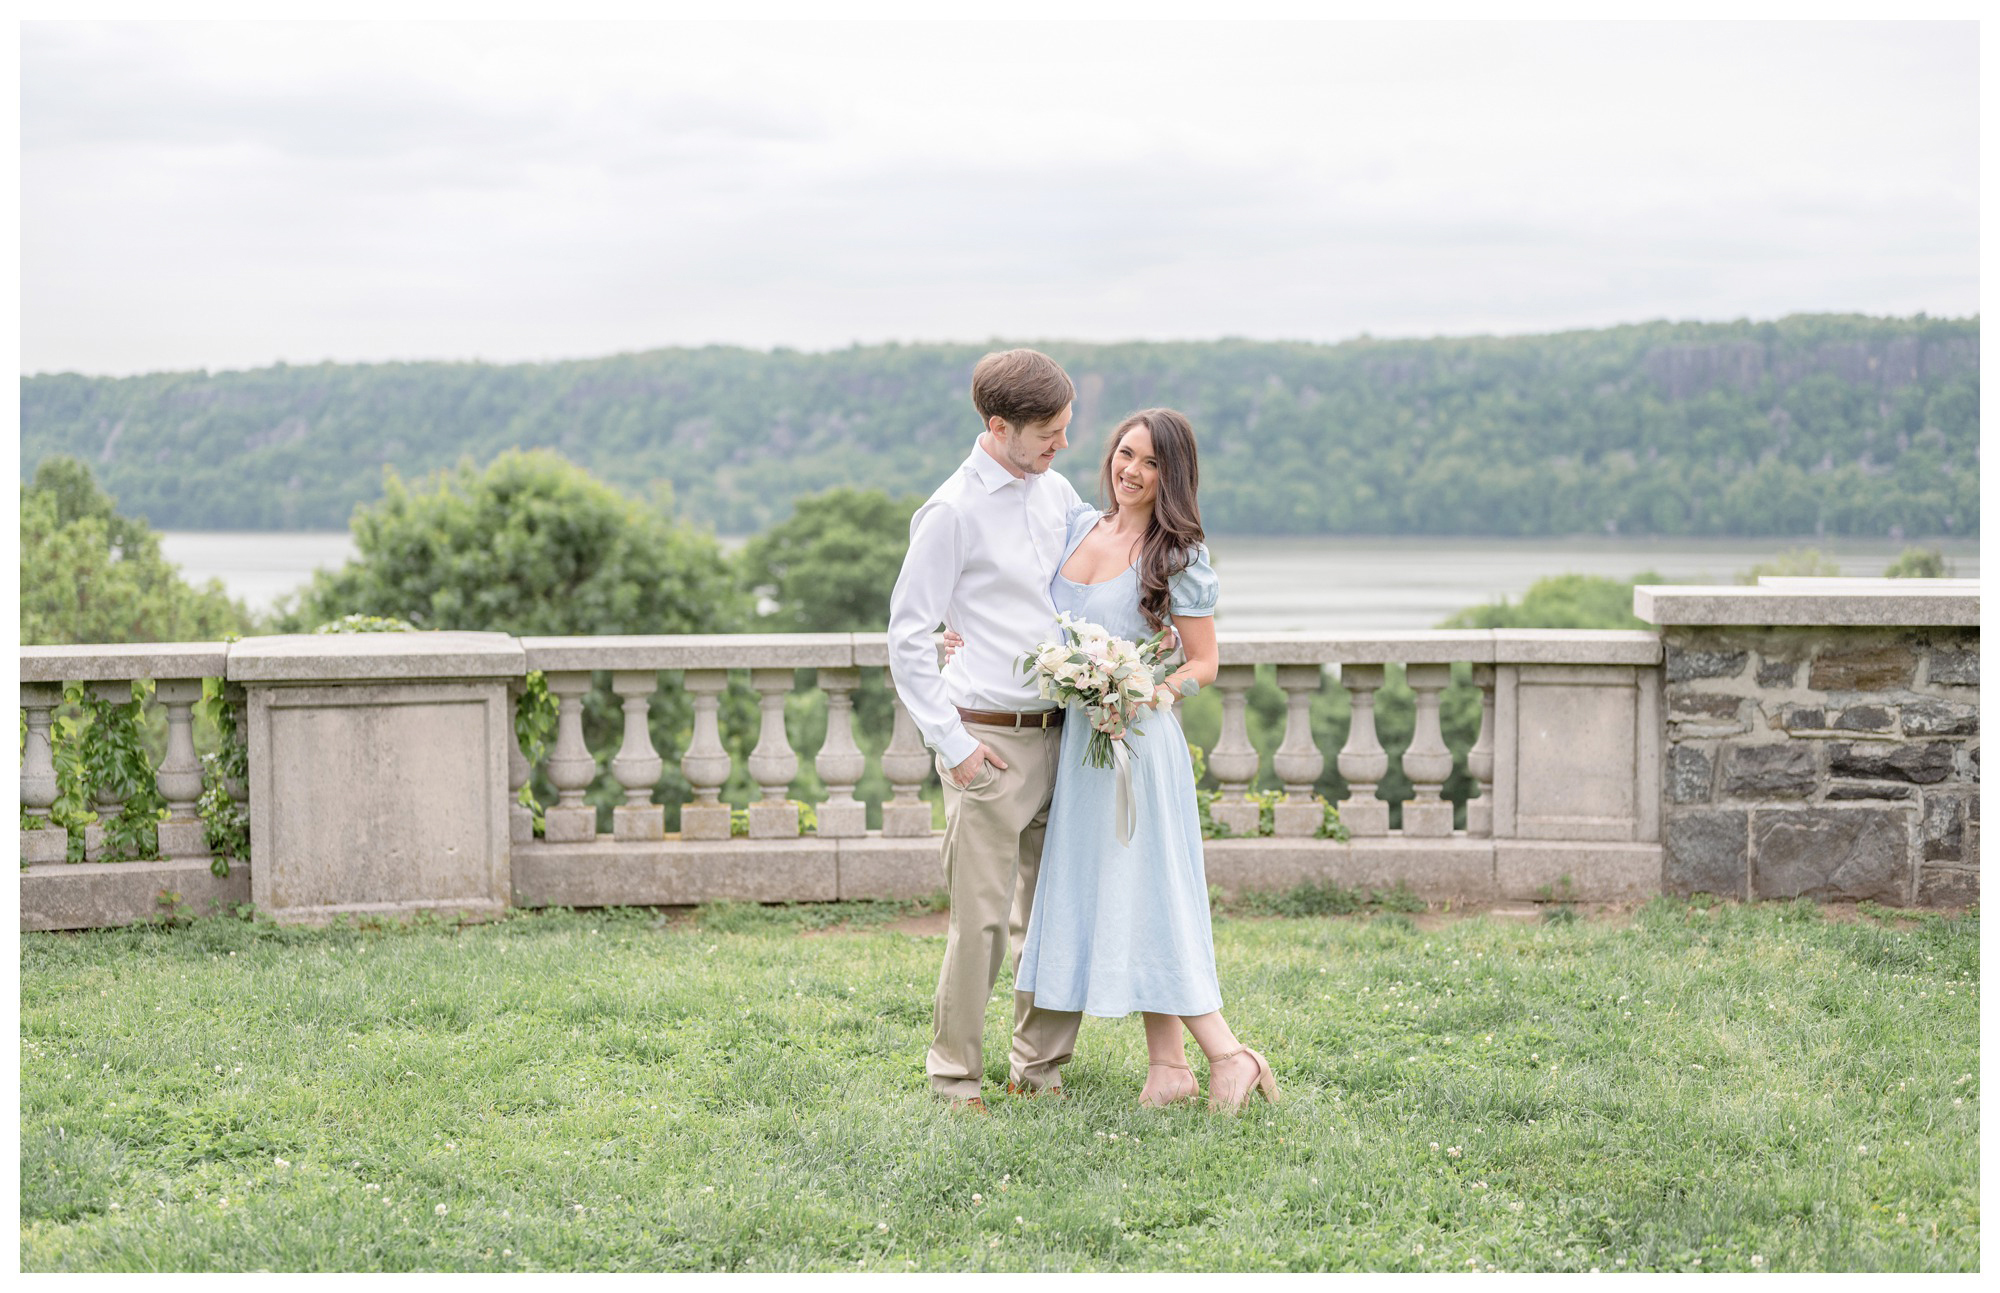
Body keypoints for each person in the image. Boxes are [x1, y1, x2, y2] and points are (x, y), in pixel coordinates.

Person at [965, 408, 1279, 1111]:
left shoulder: (1180, 556)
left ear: (1174, 476)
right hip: (1081, 744)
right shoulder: (1080, 526)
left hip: (1137, 743)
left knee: (1149, 895)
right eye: (1126, 454)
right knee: (1126, 897)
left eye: (1152, 463)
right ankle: (1169, 1067)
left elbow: (1204, 661)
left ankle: (1229, 1055)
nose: (1132, 471)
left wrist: (1147, 690)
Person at [886, 348, 1099, 1112]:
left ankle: (1039, 1067)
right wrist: (955, 747)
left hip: (1066, 733)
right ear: (998, 426)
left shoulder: (1058, 489)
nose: (1062, 445)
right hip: (987, 738)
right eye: (1049, 431)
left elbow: (1089, 580)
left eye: (1067, 428)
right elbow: (908, 637)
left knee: (1056, 911)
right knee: (979, 924)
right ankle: (955, 1081)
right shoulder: (950, 511)